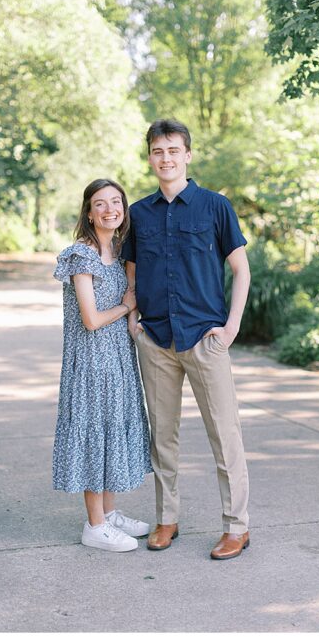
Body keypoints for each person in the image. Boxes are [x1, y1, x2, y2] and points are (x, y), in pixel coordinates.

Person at [122, 118, 253, 561]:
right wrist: (134, 318)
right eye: (158, 151)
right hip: (156, 339)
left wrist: (231, 327)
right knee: (164, 436)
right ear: (150, 158)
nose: (166, 158)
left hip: (204, 339)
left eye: (173, 150)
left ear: (188, 155)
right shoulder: (138, 213)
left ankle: (236, 527)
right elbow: (133, 272)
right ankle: (166, 519)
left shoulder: (215, 207)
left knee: (224, 434)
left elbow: (240, 270)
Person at [53, 178, 153, 553]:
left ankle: (109, 515)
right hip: (92, 361)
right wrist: (128, 306)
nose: (110, 209)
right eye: (100, 203)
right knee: (96, 433)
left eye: (116, 202)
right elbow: (91, 319)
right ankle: (94, 525)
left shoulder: (118, 252)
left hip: (118, 358)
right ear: (88, 212)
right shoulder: (82, 254)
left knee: (113, 431)